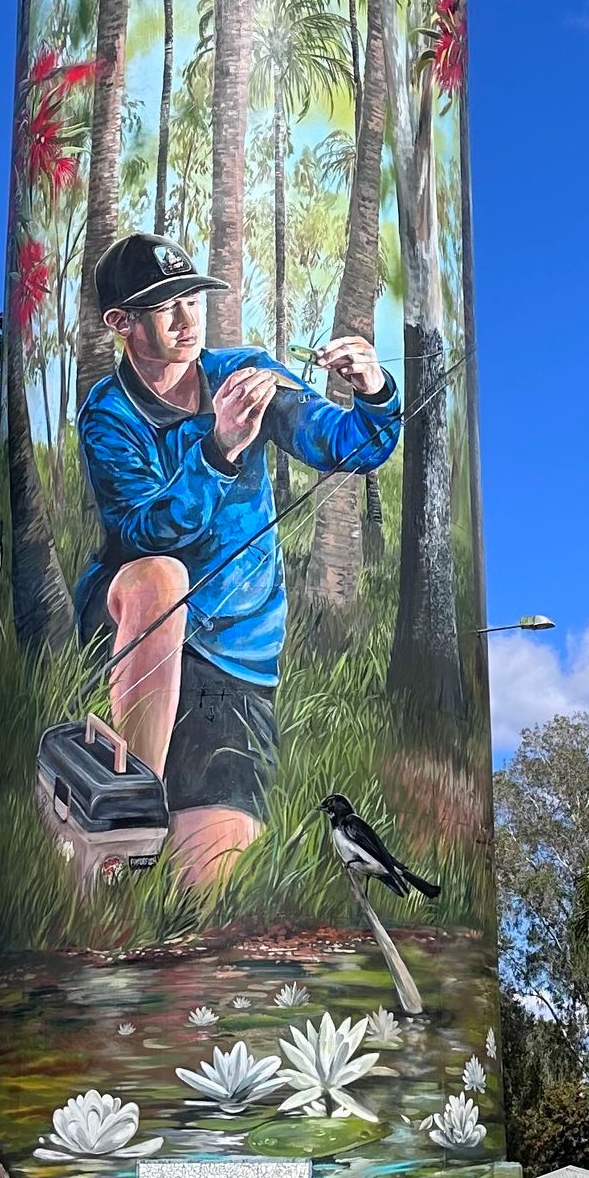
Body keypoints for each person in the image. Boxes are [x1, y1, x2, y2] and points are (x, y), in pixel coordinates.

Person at [74, 232, 400, 888]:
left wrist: (373, 389)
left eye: (190, 296)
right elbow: (145, 532)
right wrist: (219, 450)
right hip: (137, 629)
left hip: (235, 666)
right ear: (121, 323)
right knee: (165, 578)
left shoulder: (244, 375)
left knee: (206, 891)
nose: (186, 316)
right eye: (163, 304)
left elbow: (342, 444)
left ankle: (151, 853)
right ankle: (123, 817)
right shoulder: (108, 416)